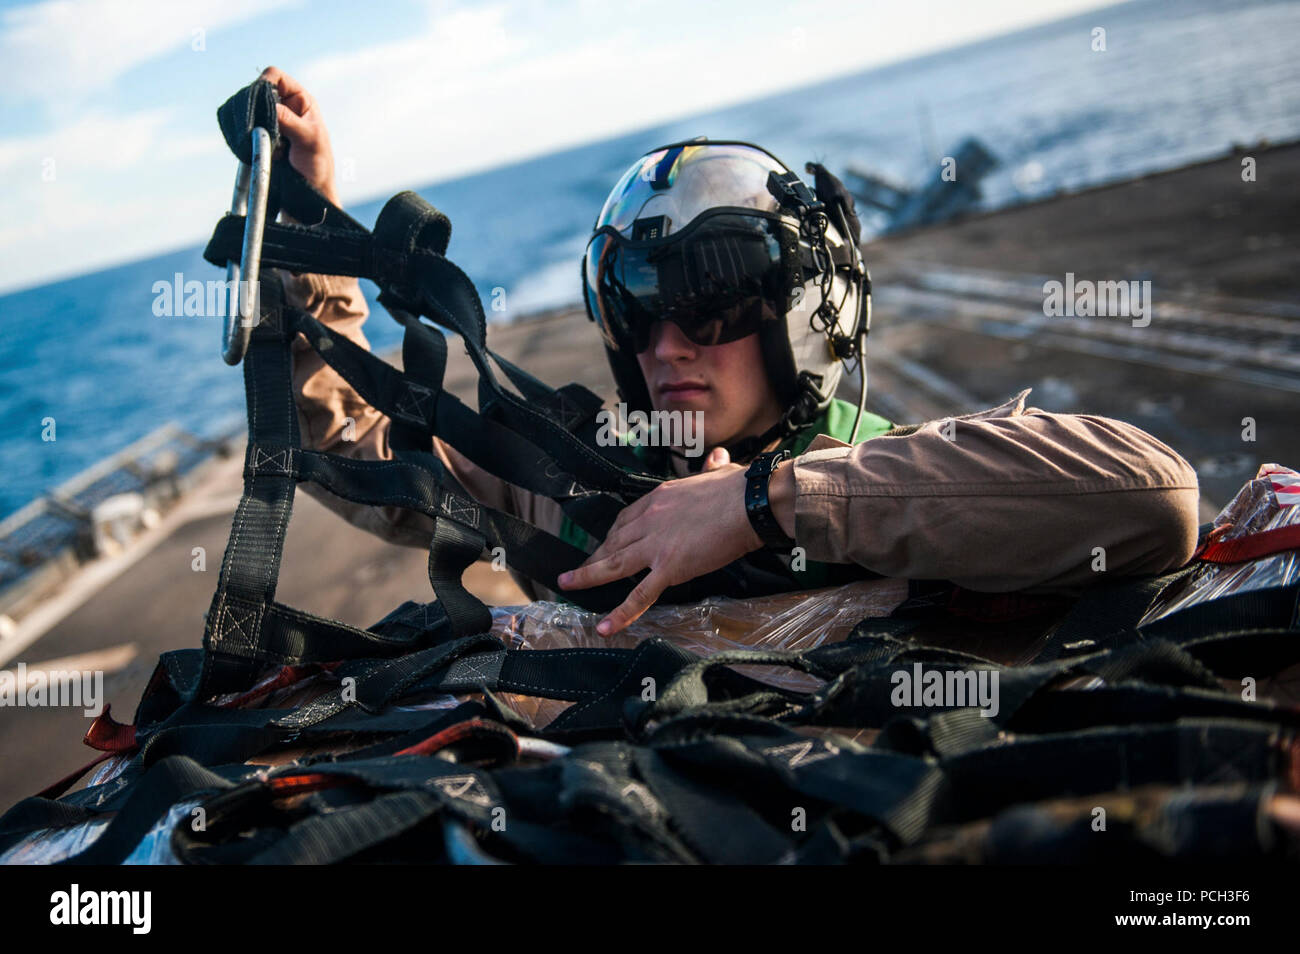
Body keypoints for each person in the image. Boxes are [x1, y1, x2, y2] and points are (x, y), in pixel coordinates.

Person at [263, 67, 1201, 638]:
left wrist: (765, 504)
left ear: (799, 316)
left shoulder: (881, 467)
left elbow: (1153, 500)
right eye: (636, 312)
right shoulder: (575, 473)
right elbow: (352, 451)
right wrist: (305, 209)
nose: (669, 346)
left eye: (710, 310)